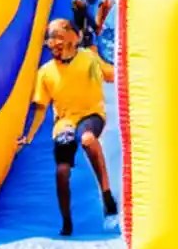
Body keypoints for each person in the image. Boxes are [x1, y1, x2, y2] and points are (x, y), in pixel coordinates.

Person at [16, 19, 119, 237]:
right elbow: (41, 108)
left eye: (59, 37)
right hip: (65, 122)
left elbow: (111, 74)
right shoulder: (46, 72)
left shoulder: (88, 58)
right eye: (51, 39)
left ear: (74, 38)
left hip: (91, 114)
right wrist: (29, 136)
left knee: (88, 139)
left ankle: (107, 194)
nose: (54, 43)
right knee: (62, 171)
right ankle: (66, 221)